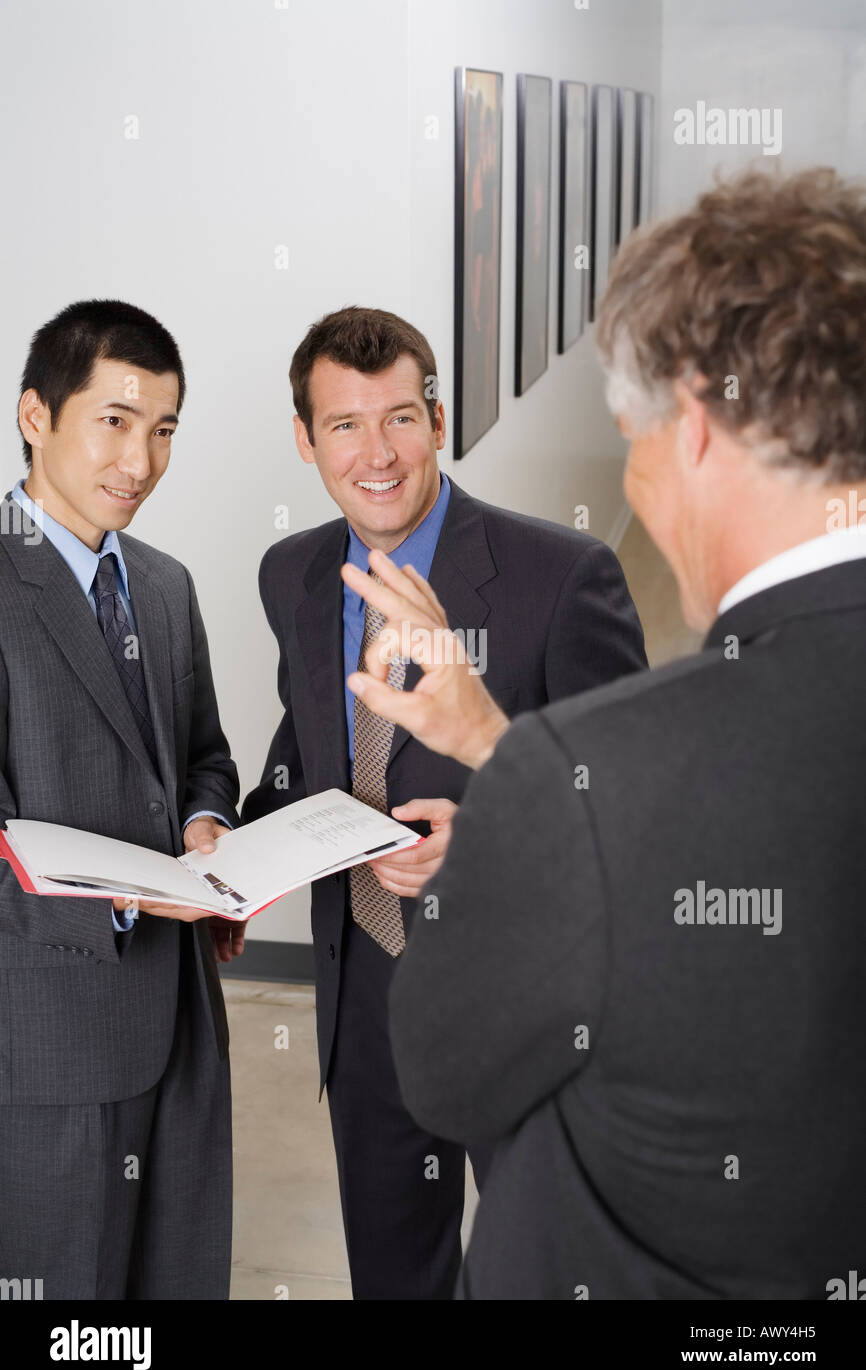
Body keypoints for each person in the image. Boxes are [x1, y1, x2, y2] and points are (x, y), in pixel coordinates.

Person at [343, 168, 866, 1298]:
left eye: (632, 435)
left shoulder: (593, 769)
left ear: (693, 426)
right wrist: (506, 752)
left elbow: (446, 1074)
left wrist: (518, 794)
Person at [242, 305, 647, 1299]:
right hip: (363, 998)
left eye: (399, 419)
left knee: (543, 1275)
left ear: (436, 420)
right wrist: (231, 848)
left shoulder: (563, 577)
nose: (376, 454)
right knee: (393, 1275)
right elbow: (306, 748)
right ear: (305, 439)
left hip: (522, 1003)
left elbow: (630, 804)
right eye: (344, 425)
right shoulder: (292, 573)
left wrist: (493, 834)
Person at [0, 300, 240, 1299]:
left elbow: (205, 757)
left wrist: (208, 822)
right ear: (35, 416)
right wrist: (132, 898)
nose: (139, 461)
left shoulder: (165, 584)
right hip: (51, 1045)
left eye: (164, 430)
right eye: (114, 421)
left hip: (184, 1021)